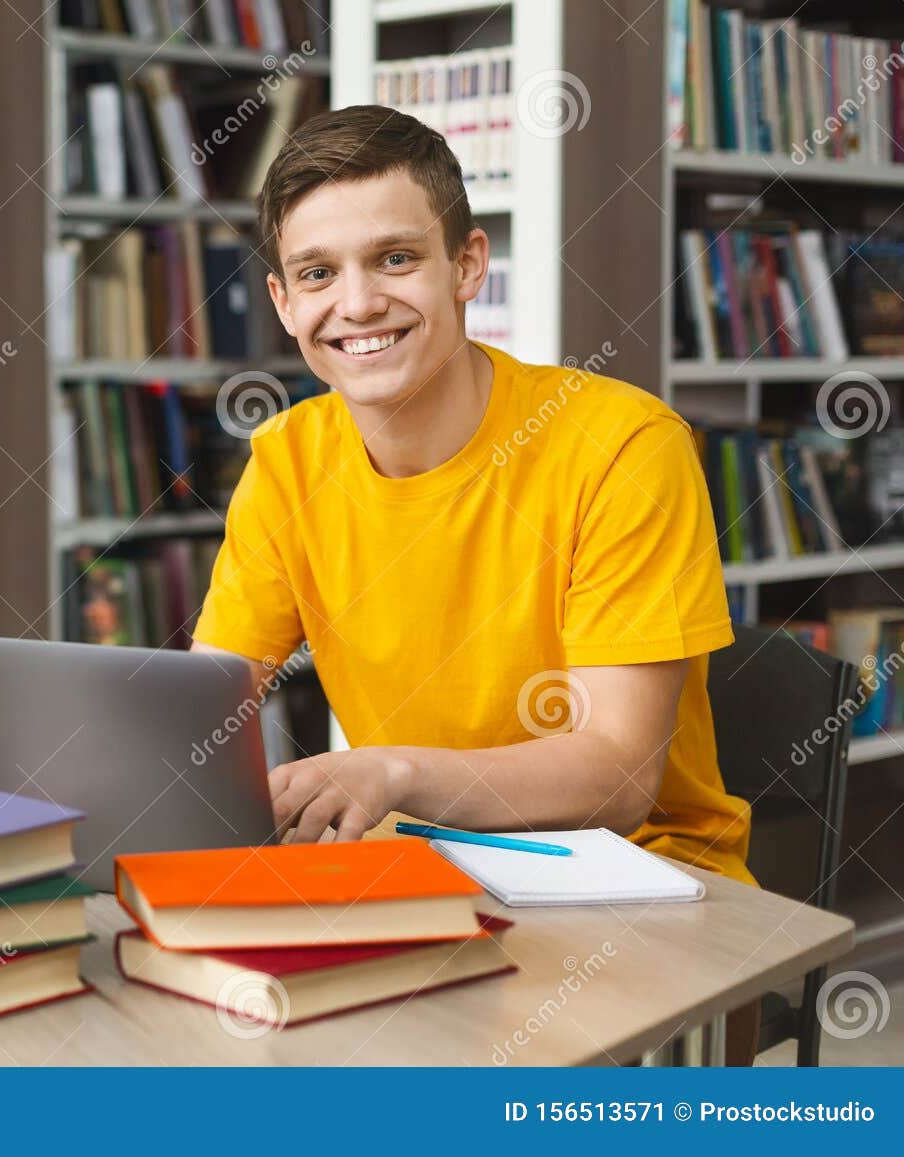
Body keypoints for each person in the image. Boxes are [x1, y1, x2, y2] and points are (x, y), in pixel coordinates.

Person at [191, 101, 760, 1062]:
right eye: (319, 273)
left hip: (639, 888)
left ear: (466, 265)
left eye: (395, 258)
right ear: (283, 302)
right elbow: (206, 705)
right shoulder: (287, 459)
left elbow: (619, 776)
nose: (357, 303)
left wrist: (392, 772)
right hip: (420, 875)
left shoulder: (622, 447)